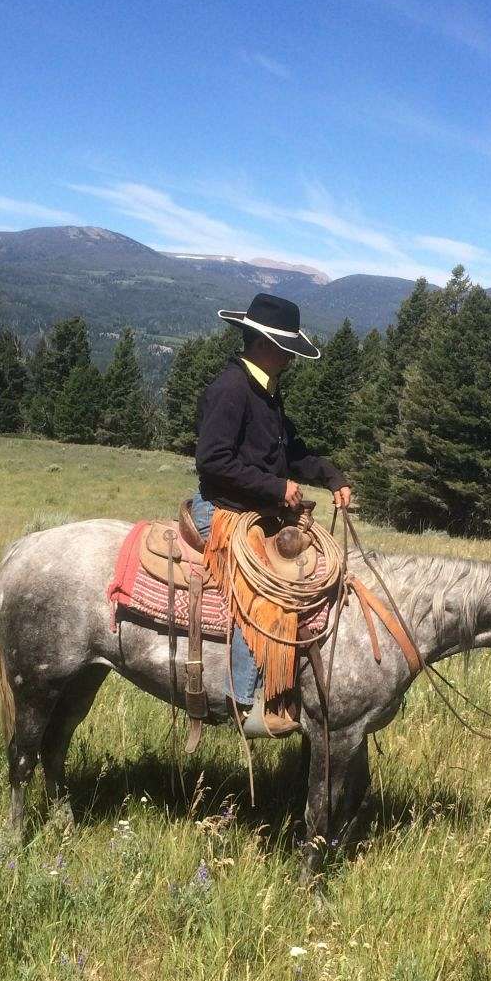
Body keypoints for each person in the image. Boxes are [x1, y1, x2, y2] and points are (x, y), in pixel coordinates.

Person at [192, 292, 351, 735]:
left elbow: (292, 453)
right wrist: (277, 487)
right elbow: (213, 461)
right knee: (266, 588)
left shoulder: (266, 392)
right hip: (224, 509)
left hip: (256, 508)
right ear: (267, 345)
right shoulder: (230, 390)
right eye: (287, 349)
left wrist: (332, 476)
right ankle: (240, 701)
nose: (291, 358)